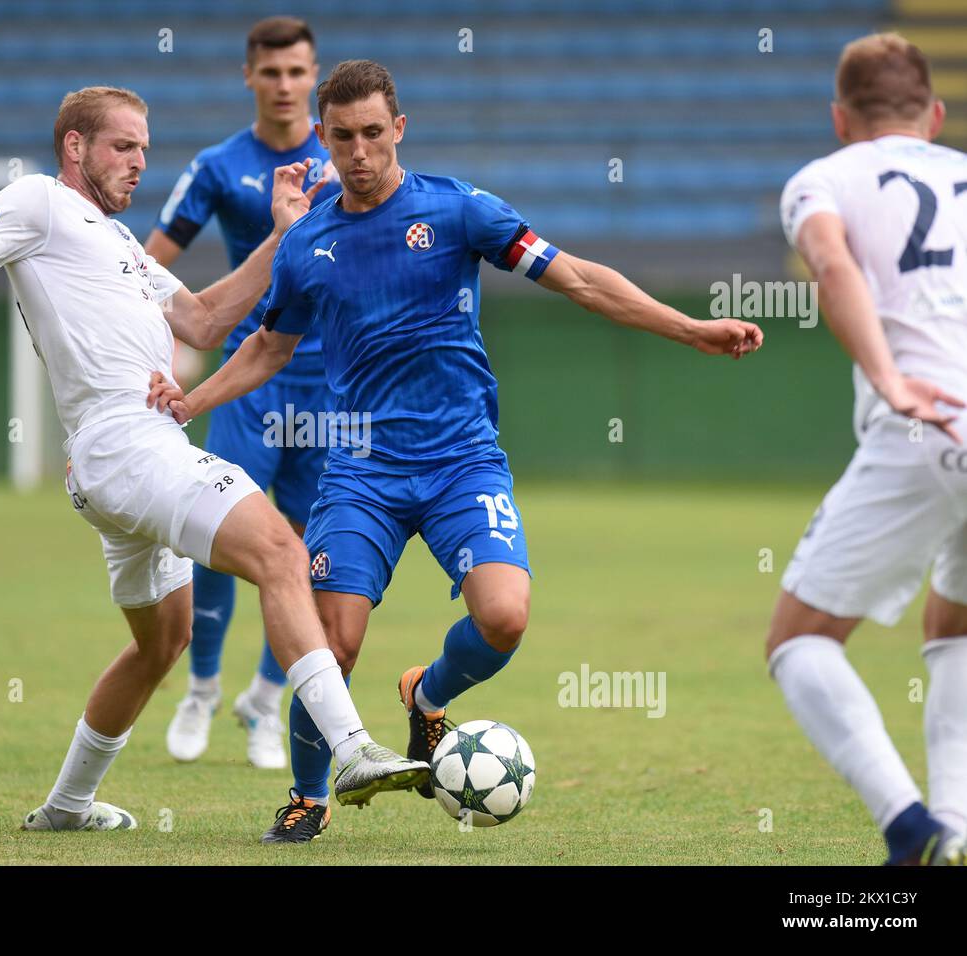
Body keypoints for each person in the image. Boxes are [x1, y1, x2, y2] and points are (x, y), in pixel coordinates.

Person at [0, 85, 427, 836]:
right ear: (75, 149)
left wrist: (284, 234)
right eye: (125, 147)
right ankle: (351, 749)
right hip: (127, 446)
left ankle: (66, 807)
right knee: (282, 549)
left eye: (146, 149)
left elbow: (206, 320)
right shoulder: (38, 202)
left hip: (119, 457)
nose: (140, 163)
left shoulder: (120, 244)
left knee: (162, 642)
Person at [148, 60, 763, 843]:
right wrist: (192, 400)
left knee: (504, 618)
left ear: (398, 128)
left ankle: (426, 695)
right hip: (360, 468)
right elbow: (269, 346)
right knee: (330, 646)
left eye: (374, 133)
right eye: (343, 137)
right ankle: (309, 795)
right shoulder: (307, 242)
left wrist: (691, 328)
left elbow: (578, 279)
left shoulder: (459, 209)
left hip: (462, 460)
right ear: (323, 138)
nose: (360, 151)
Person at [771, 32, 967, 865]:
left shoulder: (825, 178)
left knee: (798, 639)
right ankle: (957, 828)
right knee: (955, 622)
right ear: (936, 112)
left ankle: (911, 827)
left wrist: (889, 376)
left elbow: (831, 262)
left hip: (926, 426)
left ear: (841, 118)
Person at [145, 16, 339, 770]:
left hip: (333, 385)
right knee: (224, 539)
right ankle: (201, 687)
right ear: (249, 78)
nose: (286, 86)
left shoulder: (347, 157)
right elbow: (151, 263)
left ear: (313, 75)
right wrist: (165, 353)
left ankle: (263, 702)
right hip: (250, 374)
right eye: (272, 73)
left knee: (307, 551)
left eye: (298, 73)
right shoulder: (220, 166)